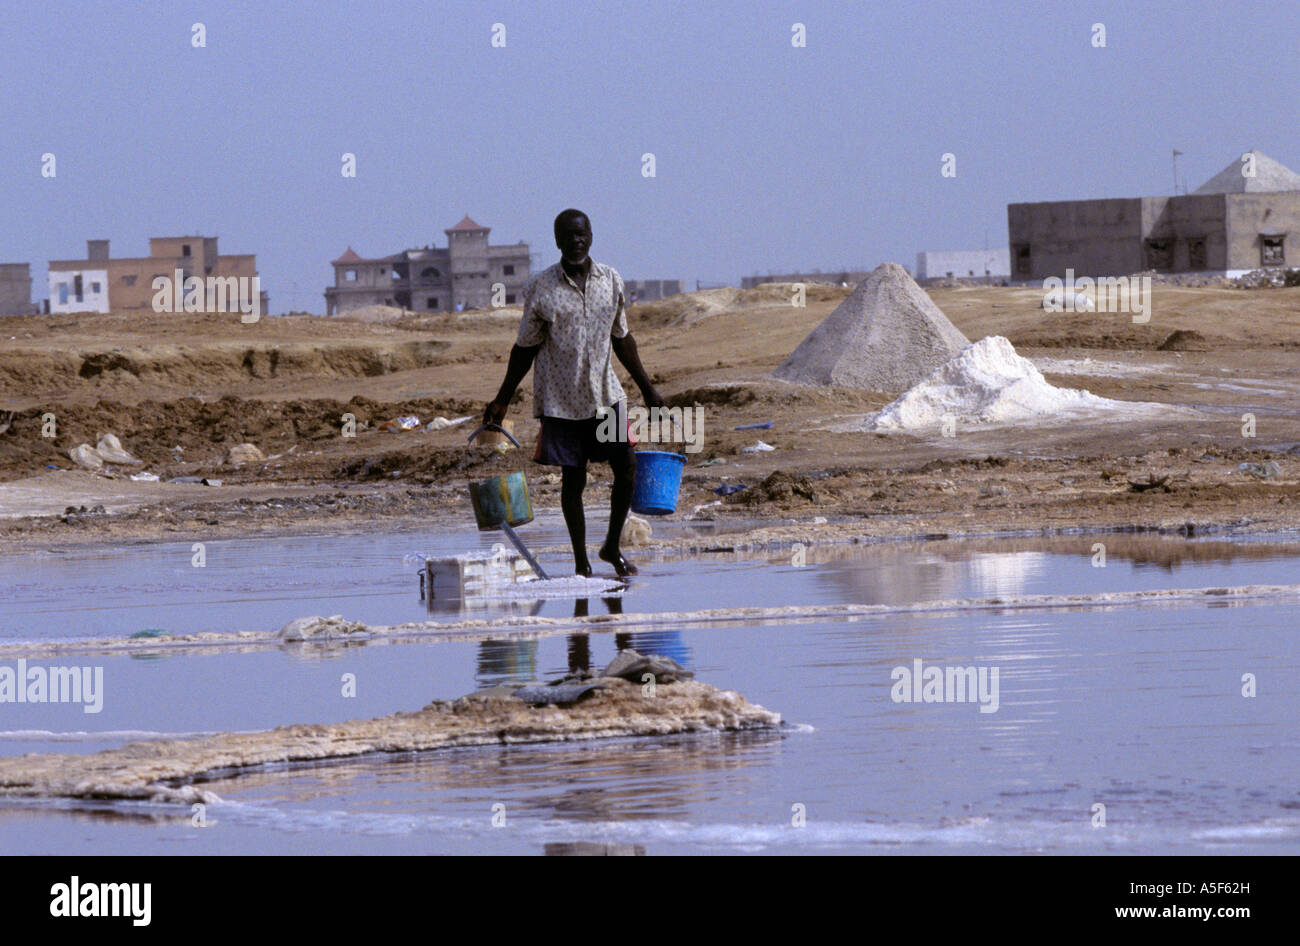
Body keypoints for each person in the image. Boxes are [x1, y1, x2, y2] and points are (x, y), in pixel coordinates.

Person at [483, 209, 663, 577]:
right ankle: (581, 562)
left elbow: (622, 338)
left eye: (581, 233)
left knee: (627, 468)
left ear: (591, 235)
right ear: (558, 241)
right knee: (573, 479)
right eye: (568, 235)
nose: (576, 240)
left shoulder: (610, 280)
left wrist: (648, 388)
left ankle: (611, 547)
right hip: (561, 402)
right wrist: (502, 399)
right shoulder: (541, 287)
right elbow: (524, 349)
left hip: (606, 396)